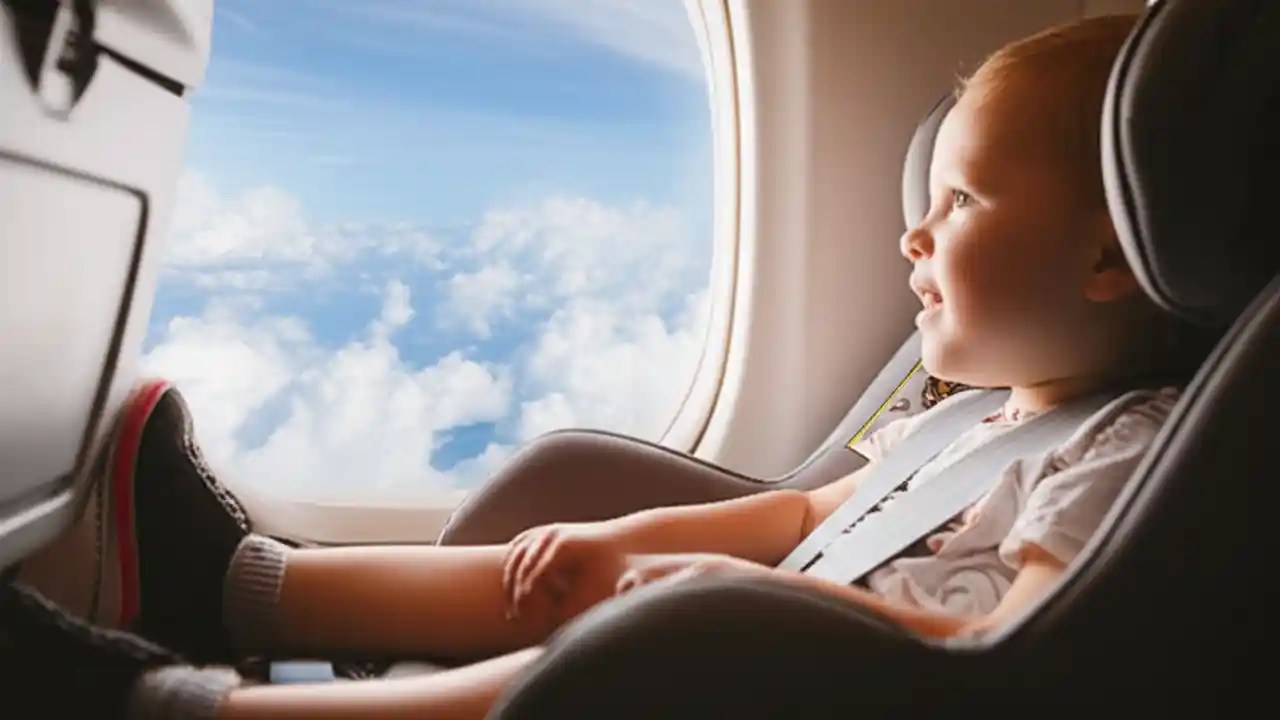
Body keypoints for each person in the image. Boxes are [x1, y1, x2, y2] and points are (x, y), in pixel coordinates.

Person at [1, 12, 1215, 720]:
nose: (912, 229)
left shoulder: (1127, 449)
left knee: (602, 652)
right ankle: (235, 582)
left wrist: (730, 599)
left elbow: (1012, 653)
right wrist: (632, 541)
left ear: (1112, 255)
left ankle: (183, 712)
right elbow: (802, 510)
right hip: (750, 628)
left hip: (813, 684)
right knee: (554, 571)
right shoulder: (967, 422)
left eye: (957, 198)